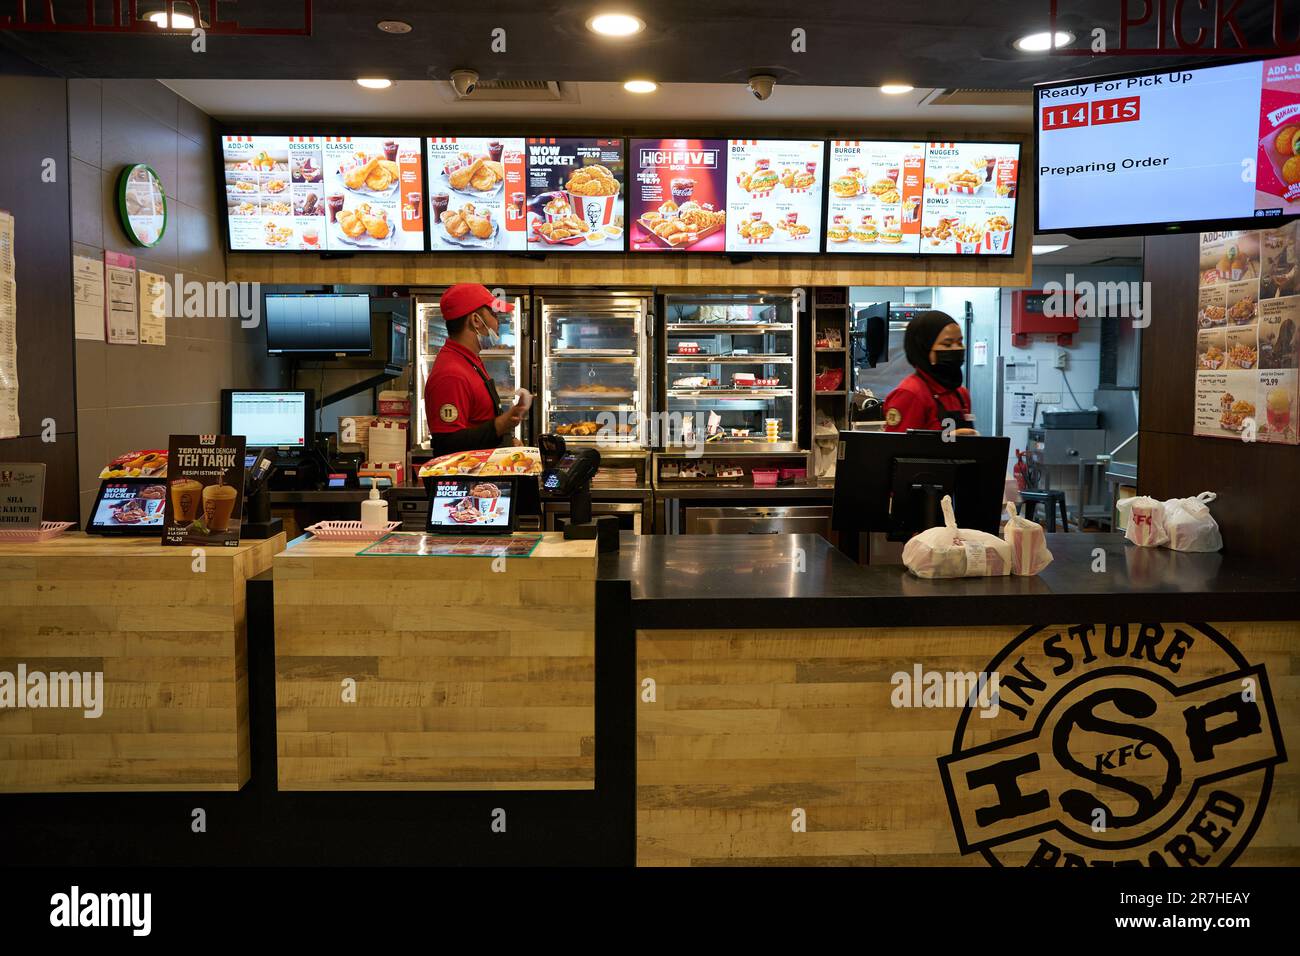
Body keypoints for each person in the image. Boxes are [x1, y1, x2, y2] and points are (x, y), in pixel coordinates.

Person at [424, 283, 527, 454]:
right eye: (493, 314)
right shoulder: (451, 374)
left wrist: (507, 441)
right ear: (476, 320)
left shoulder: (470, 360)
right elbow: (448, 444)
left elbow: (478, 423)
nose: (498, 322)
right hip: (470, 481)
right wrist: (502, 423)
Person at [882, 310, 977, 435]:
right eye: (947, 344)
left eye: (959, 342)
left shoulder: (960, 393)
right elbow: (897, 449)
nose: (957, 348)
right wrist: (945, 442)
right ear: (924, 350)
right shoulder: (910, 393)